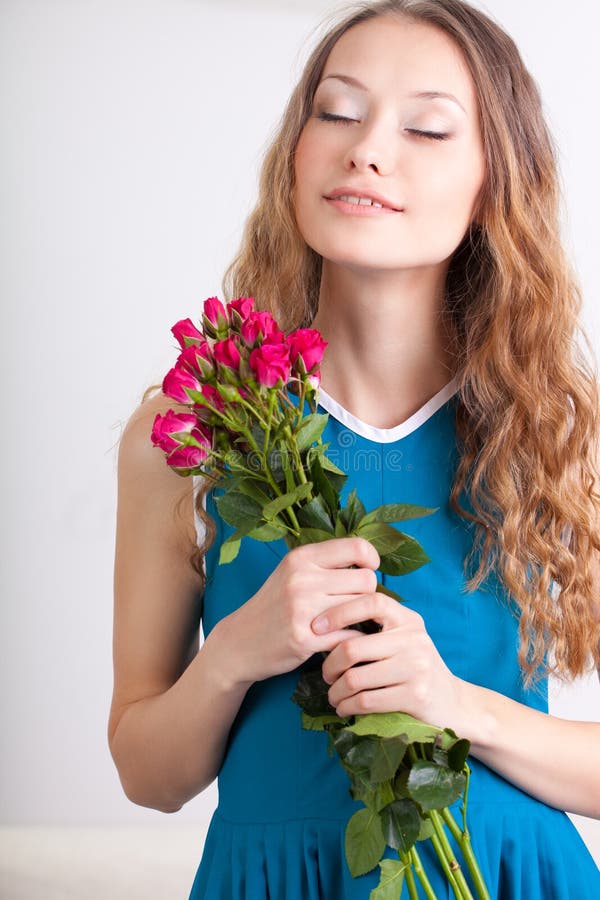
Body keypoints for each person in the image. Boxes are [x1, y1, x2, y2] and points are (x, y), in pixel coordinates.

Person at [108, 0, 600, 897]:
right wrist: (237, 652)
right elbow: (148, 775)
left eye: (428, 127)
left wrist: (455, 707)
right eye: (336, 111)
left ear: (496, 183)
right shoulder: (185, 439)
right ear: (293, 156)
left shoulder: (565, 433)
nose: (368, 148)